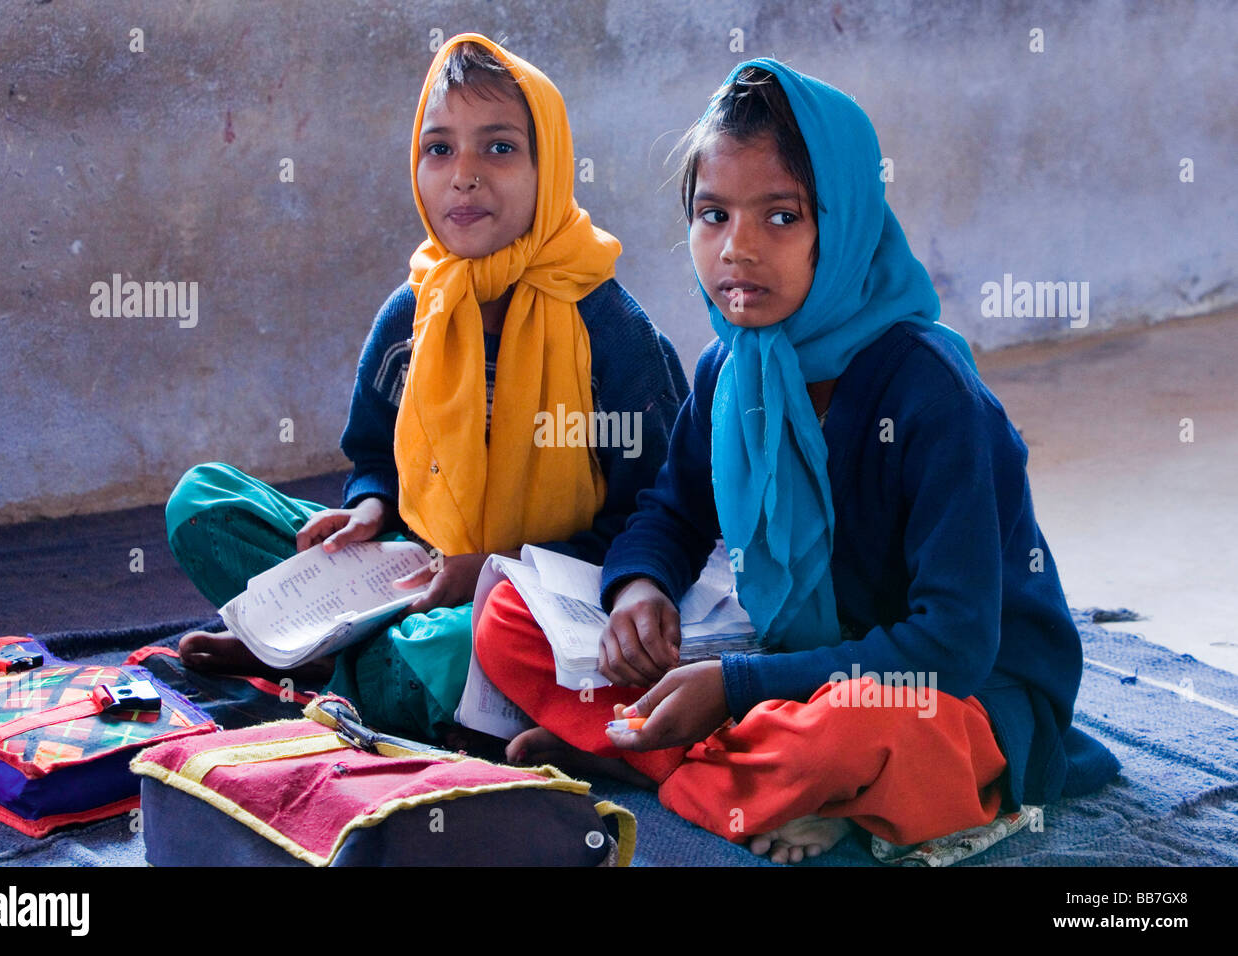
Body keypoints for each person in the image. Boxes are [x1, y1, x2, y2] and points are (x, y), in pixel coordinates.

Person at [474, 60, 1119, 863]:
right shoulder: (730, 367)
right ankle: (730, 775)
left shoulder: (931, 394)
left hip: (959, 688)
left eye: (780, 218)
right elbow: (673, 513)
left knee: (851, 739)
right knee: (505, 620)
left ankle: (648, 761)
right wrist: (640, 589)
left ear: (840, 225)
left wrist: (739, 688)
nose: (737, 250)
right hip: (791, 656)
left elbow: (953, 645)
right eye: (713, 215)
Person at [165, 34, 687, 740]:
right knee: (201, 502)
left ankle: (308, 657)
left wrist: (491, 571)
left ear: (551, 166)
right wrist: (369, 510)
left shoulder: (611, 330)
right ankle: (333, 650)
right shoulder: (415, 310)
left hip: (533, 598)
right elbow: (375, 452)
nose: (463, 177)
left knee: (452, 650)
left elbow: (656, 517)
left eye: (498, 148)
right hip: (412, 568)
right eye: (439, 149)